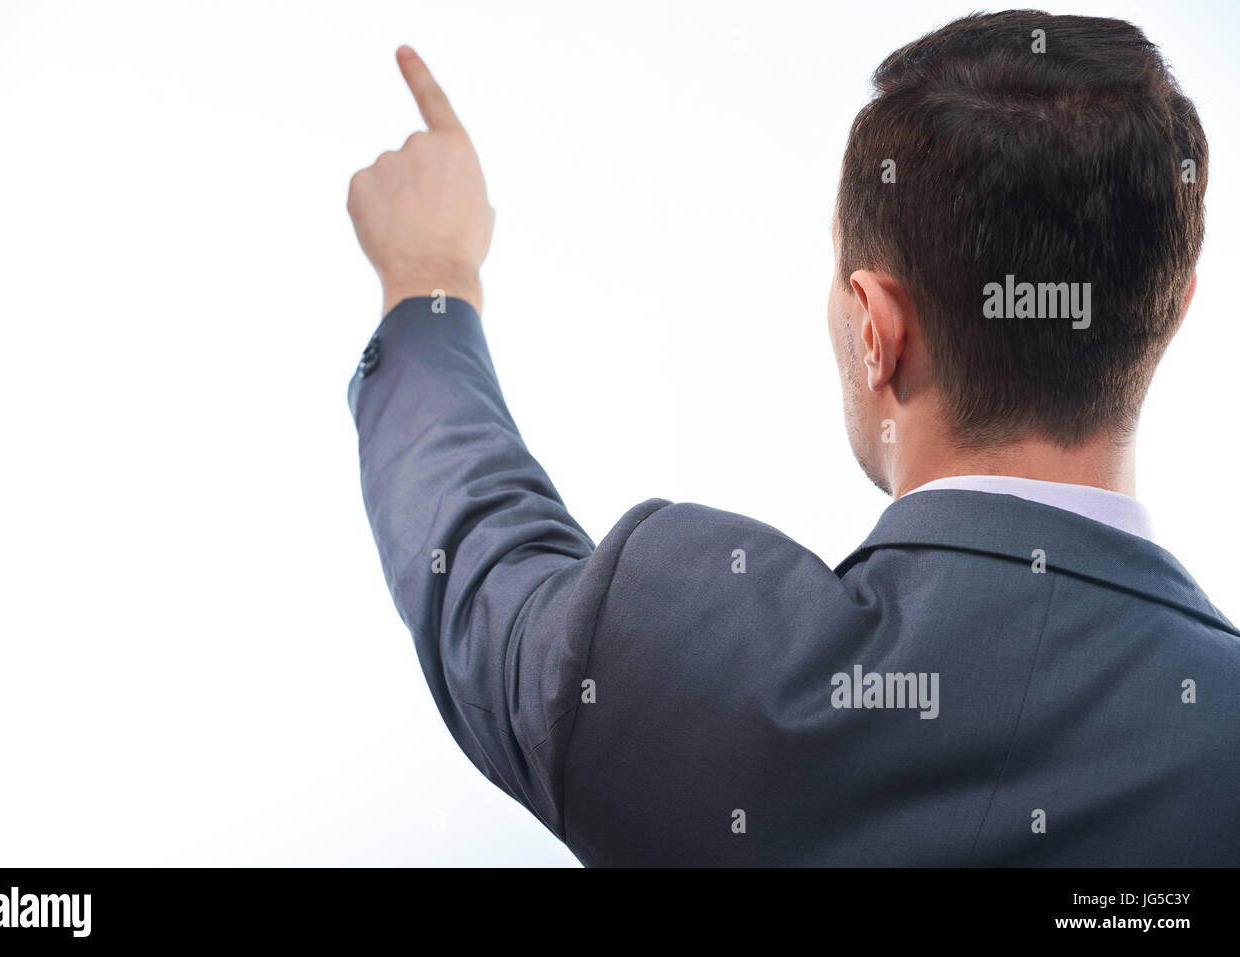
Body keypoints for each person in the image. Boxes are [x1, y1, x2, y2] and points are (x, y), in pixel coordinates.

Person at [344, 13, 1240, 866]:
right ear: (1172, 308)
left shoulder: (701, 674)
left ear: (876, 329)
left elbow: (480, 568)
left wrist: (431, 276)